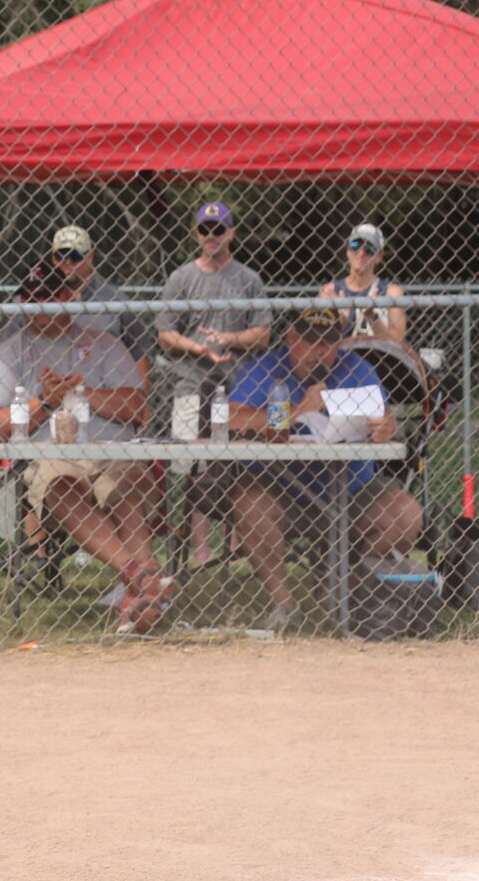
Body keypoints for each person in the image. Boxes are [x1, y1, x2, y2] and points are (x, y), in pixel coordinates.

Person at [0, 266, 171, 633]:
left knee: (126, 483)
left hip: (111, 451)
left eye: (58, 293)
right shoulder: (7, 354)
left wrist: (80, 393)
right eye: (36, 295)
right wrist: (44, 403)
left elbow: (138, 409)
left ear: (72, 298)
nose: (47, 302)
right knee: (59, 481)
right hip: (48, 457)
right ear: (23, 301)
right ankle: (142, 578)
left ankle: (141, 599)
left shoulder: (105, 344)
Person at [224, 308, 419, 632]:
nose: (320, 353)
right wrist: (299, 411)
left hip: (349, 490)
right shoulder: (265, 368)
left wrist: (386, 426)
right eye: (310, 342)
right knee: (248, 502)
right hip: (280, 489)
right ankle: (285, 605)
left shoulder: (356, 368)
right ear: (291, 339)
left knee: (406, 514)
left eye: (328, 344)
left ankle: (348, 590)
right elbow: (232, 418)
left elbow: (384, 414)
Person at [155, 201, 270, 438]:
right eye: (204, 230)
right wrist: (198, 348)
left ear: (231, 233)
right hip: (191, 385)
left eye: (218, 230)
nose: (211, 236)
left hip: (238, 389)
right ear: (196, 234)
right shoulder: (181, 278)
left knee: (236, 468)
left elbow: (262, 336)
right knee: (187, 465)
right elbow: (165, 335)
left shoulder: (249, 279)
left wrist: (229, 339)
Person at [48, 225, 151, 372]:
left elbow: (139, 355)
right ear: (53, 260)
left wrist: (141, 393)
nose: (68, 262)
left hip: (106, 388)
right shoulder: (37, 299)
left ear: (89, 257)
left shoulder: (115, 300)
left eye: (75, 256)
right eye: (61, 256)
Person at [320, 223, 406, 342]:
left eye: (369, 249)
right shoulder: (330, 291)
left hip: (378, 358)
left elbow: (398, 341)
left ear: (379, 256)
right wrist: (341, 321)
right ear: (348, 251)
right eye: (355, 246)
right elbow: (319, 342)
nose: (361, 253)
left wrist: (372, 317)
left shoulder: (391, 292)